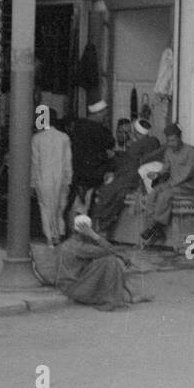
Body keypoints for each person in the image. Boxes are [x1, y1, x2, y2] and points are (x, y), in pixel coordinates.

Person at [92, 118, 159, 238]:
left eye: (132, 132)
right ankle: (103, 226)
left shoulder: (142, 144)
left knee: (109, 190)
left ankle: (103, 226)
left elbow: (132, 162)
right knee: (111, 189)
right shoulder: (151, 141)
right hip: (131, 174)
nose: (129, 135)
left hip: (135, 176)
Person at [56, 214, 140, 310]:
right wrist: (94, 235)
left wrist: (121, 255)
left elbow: (109, 250)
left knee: (109, 260)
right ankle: (111, 299)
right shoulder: (78, 246)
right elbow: (109, 250)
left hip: (74, 286)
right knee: (110, 261)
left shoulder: (73, 242)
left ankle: (127, 295)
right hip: (74, 288)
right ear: (86, 231)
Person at [142, 123, 194, 245]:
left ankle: (156, 227)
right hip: (173, 184)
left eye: (173, 140)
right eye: (168, 141)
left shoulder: (191, 151)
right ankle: (154, 227)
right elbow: (166, 168)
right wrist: (157, 174)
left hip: (187, 186)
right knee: (153, 193)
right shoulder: (168, 151)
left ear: (180, 137)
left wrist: (170, 184)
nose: (171, 143)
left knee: (164, 195)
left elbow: (187, 173)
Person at [67, 101, 115, 217]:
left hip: (78, 174)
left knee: (76, 206)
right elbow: (109, 143)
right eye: (105, 115)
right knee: (88, 208)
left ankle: (74, 233)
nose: (106, 118)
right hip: (94, 176)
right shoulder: (98, 130)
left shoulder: (78, 127)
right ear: (98, 113)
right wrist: (105, 155)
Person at [31, 114, 73, 245]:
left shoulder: (37, 139)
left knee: (45, 207)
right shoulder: (64, 137)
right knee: (60, 208)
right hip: (61, 178)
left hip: (44, 178)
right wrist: (69, 179)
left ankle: (49, 237)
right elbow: (68, 161)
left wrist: (32, 183)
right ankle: (59, 235)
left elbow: (35, 163)